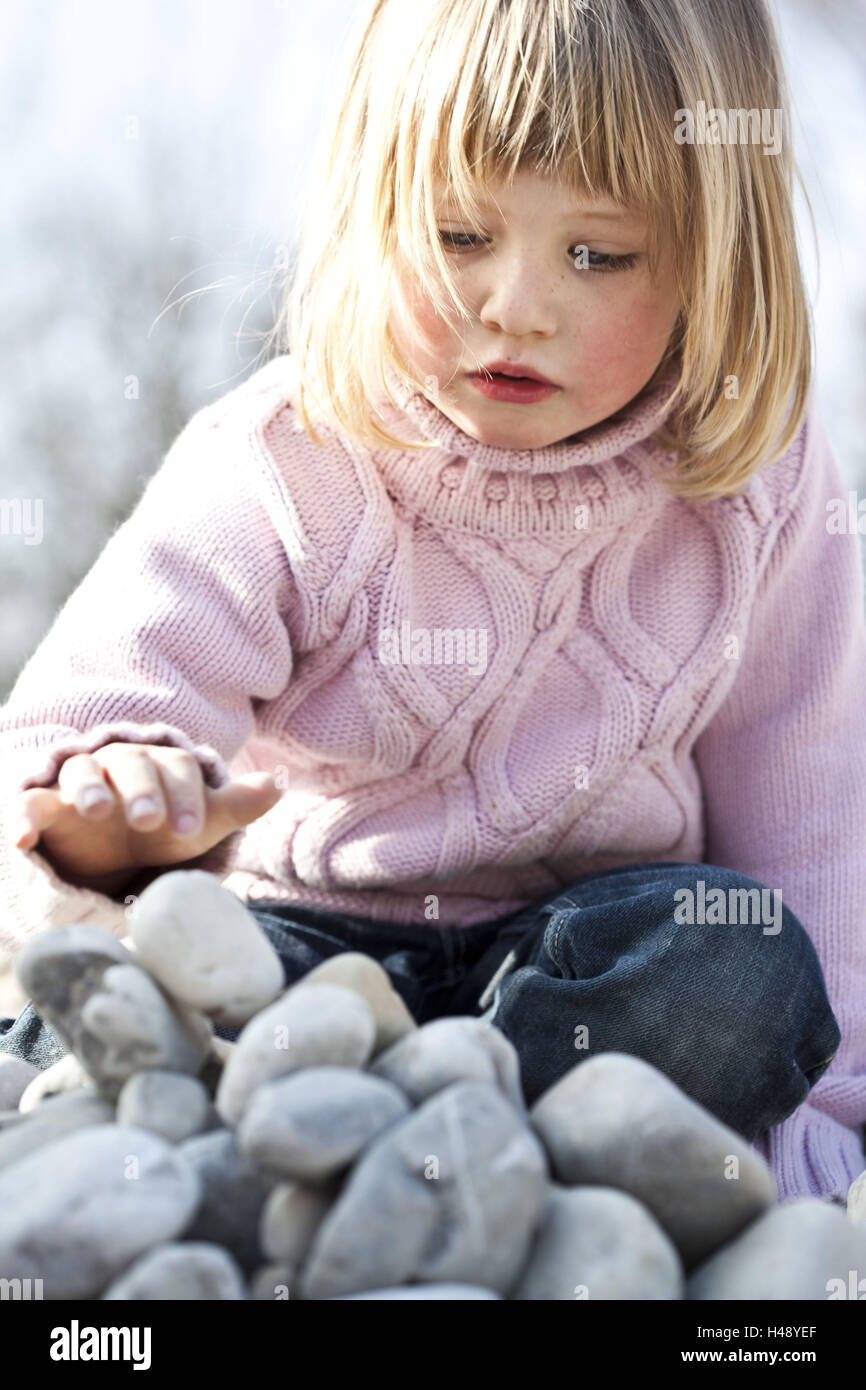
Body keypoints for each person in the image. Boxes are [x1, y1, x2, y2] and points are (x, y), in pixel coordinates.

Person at [0, 0, 863, 1208]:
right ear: (373, 207)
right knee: (141, 990)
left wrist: (820, 1117)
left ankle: (427, 1148)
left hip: (581, 968)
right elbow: (78, 733)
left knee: (742, 966)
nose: (513, 303)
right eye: (458, 233)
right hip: (313, 950)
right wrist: (116, 798)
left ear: (712, 261)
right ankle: (343, 1131)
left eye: (596, 254)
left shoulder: (747, 478)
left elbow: (811, 807)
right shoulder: (287, 456)